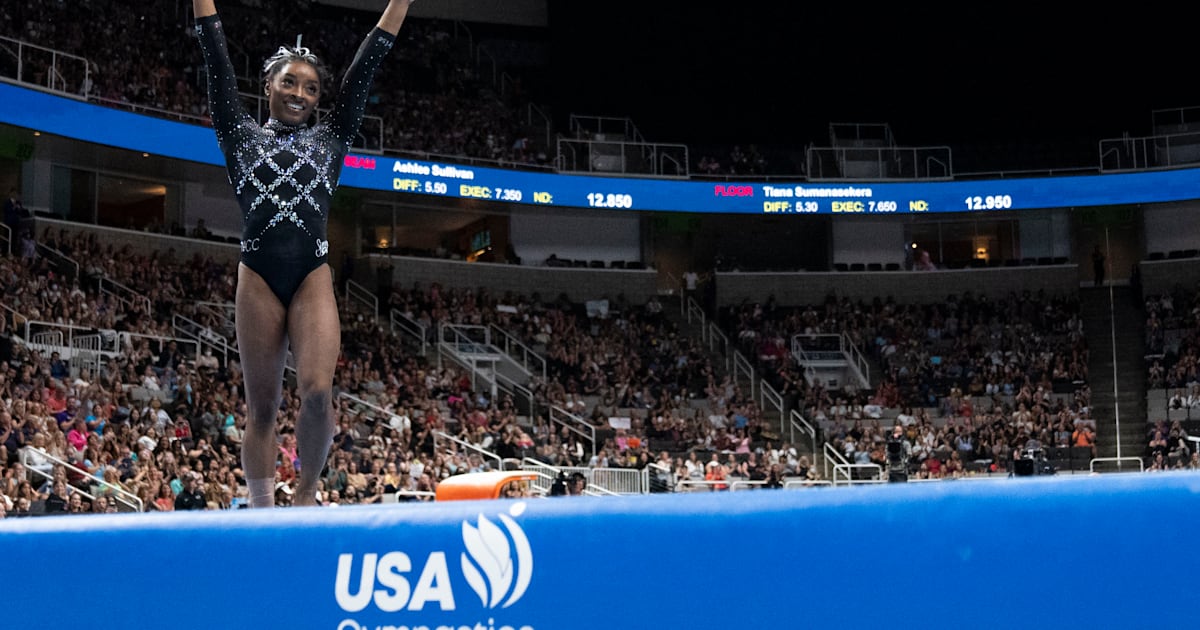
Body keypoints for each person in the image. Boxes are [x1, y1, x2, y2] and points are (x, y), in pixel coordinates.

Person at [192, 0, 415, 507]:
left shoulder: (333, 136)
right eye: (289, 82)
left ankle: (306, 496)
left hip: (311, 274)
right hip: (259, 278)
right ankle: (262, 508)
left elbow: (370, 61)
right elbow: (215, 53)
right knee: (262, 410)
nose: (299, 93)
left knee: (317, 393)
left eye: (311, 87)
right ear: (268, 86)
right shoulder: (238, 132)